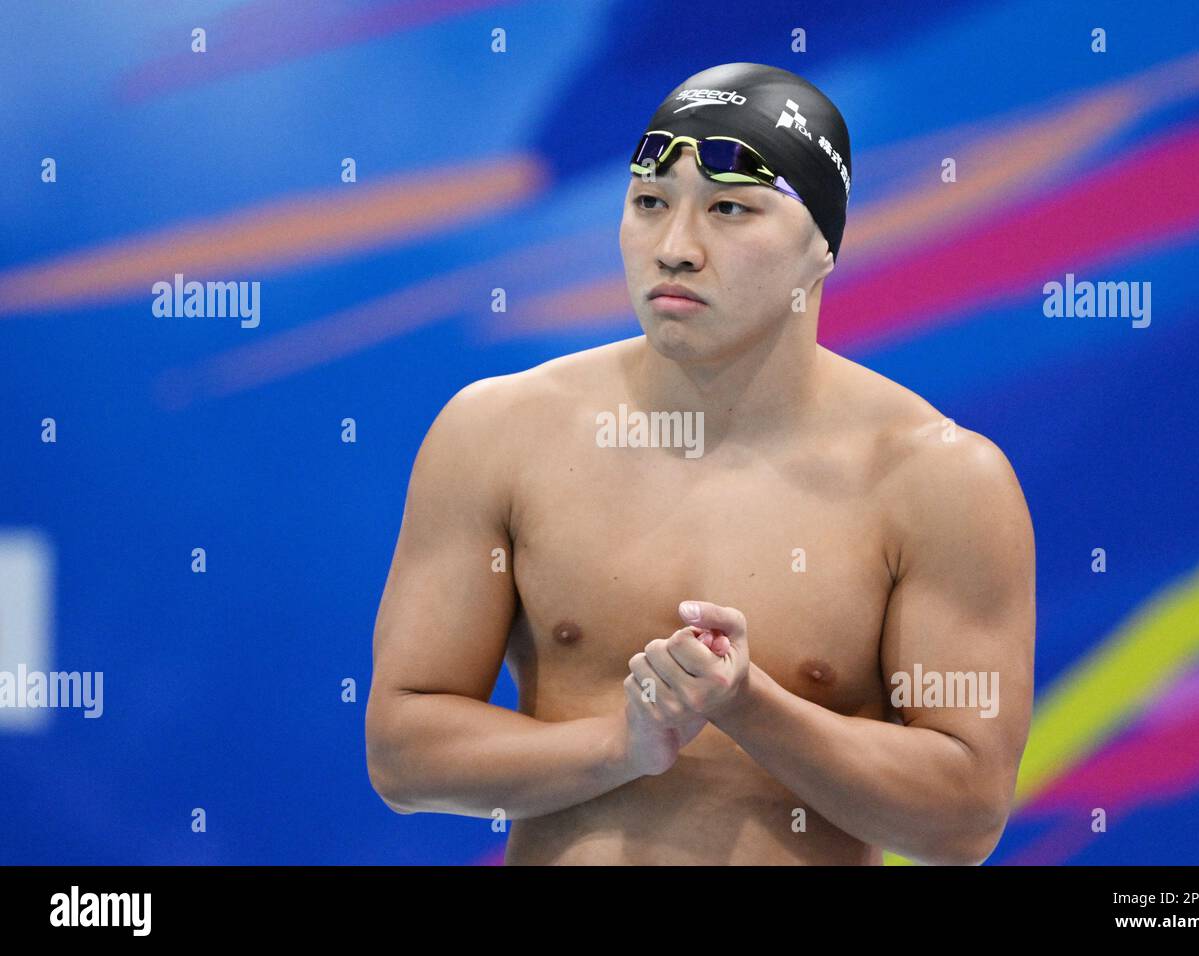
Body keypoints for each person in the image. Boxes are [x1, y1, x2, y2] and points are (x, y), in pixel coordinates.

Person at [364, 62, 1035, 865]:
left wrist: (749, 708)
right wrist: (621, 745)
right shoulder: (497, 432)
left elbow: (963, 820)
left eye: (729, 209)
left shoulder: (938, 481)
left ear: (823, 245)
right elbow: (403, 753)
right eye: (650, 203)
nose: (675, 249)